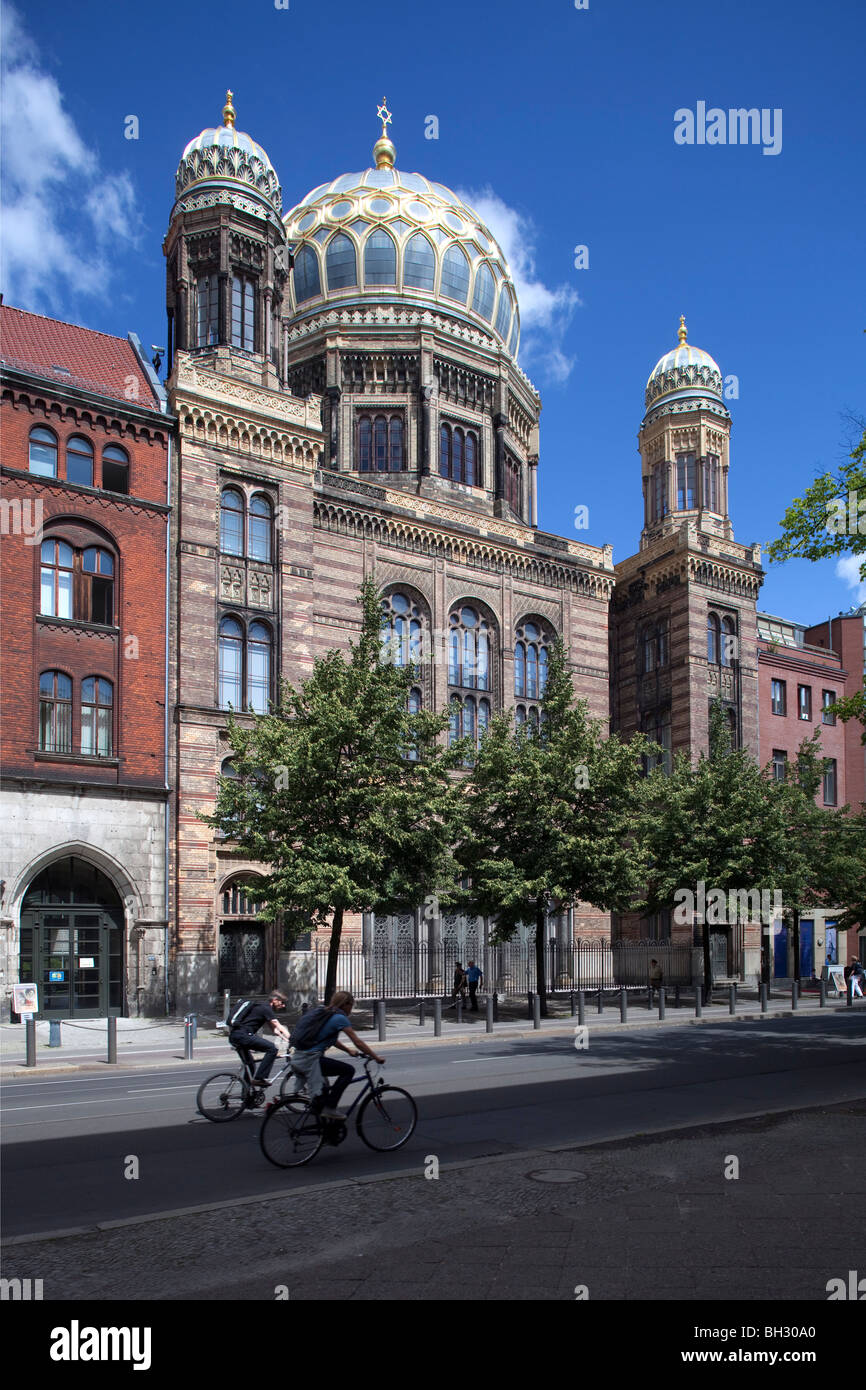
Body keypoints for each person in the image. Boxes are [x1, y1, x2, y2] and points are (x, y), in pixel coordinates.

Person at [294, 990, 385, 1119]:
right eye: (351, 1005)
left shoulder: (326, 1013)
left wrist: (348, 1051)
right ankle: (330, 1108)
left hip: (301, 1057)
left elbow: (330, 1039)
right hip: (311, 1060)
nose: (351, 1009)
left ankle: (322, 1122)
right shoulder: (340, 1018)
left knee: (323, 1090)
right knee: (348, 1071)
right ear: (345, 1005)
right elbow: (358, 1042)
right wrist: (376, 1057)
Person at [228, 991, 290, 1087]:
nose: (283, 1006)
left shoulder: (262, 1006)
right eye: (282, 1003)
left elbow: (276, 1030)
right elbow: (279, 1026)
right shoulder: (266, 1008)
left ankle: (246, 1097)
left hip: (236, 1036)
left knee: (251, 1066)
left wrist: (286, 1040)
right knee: (272, 1049)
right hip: (243, 1036)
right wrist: (294, 1040)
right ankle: (259, 1078)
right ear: (275, 1000)